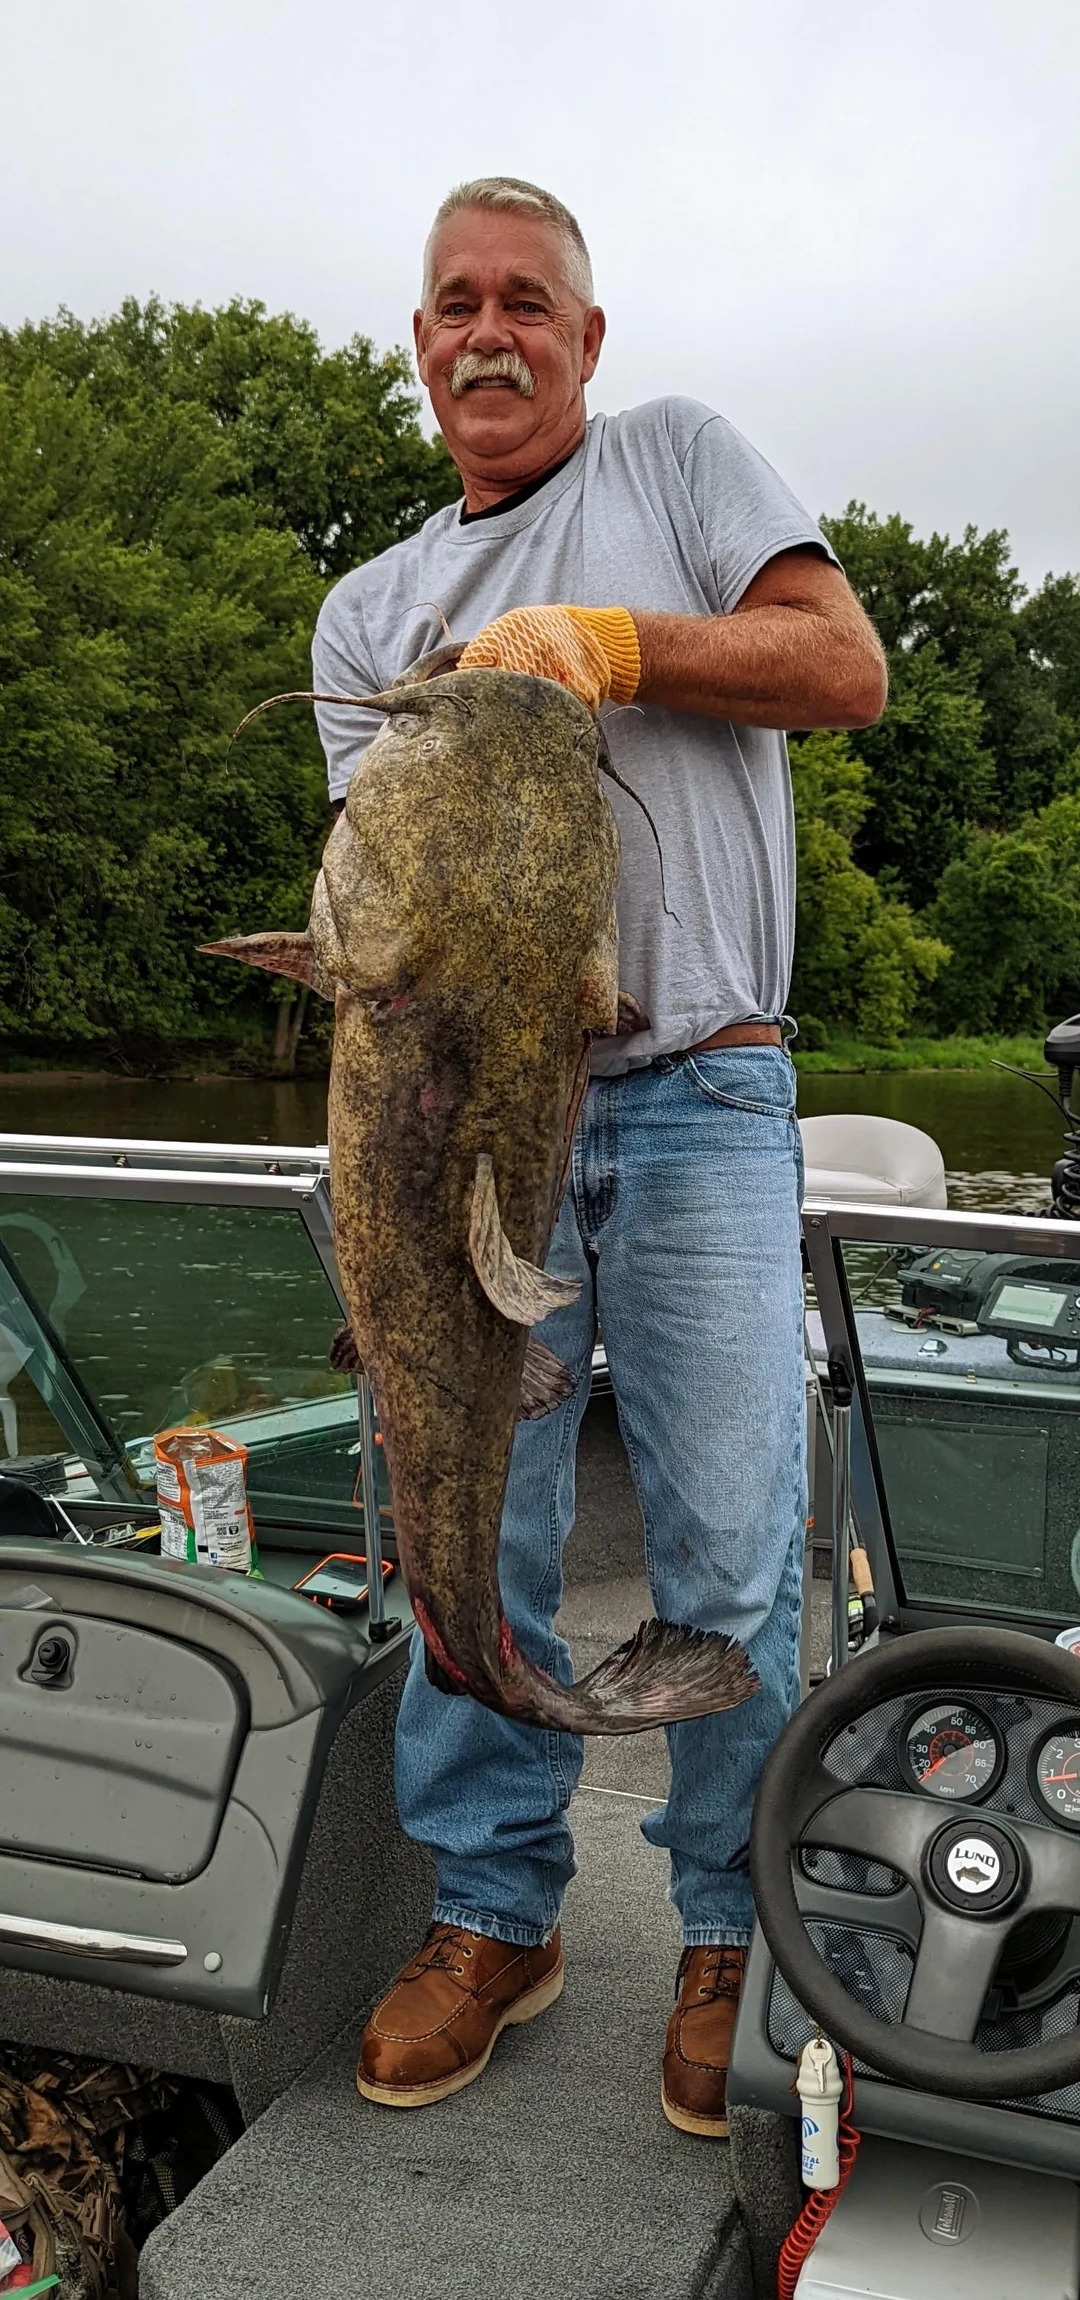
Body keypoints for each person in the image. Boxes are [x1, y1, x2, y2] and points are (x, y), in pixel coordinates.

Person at [313, 176, 886, 2137]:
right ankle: (495, 1912)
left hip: (708, 1092)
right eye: (456, 301)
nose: (491, 329)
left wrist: (620, 649)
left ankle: (728, 1925)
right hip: (470, 1125)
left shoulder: (680, 463)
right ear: (419, 343)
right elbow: (389, 926)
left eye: (528, 301)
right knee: (466, 1517)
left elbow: (843, 667)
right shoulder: (366, 614)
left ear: (586, 336)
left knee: (731, 1533)